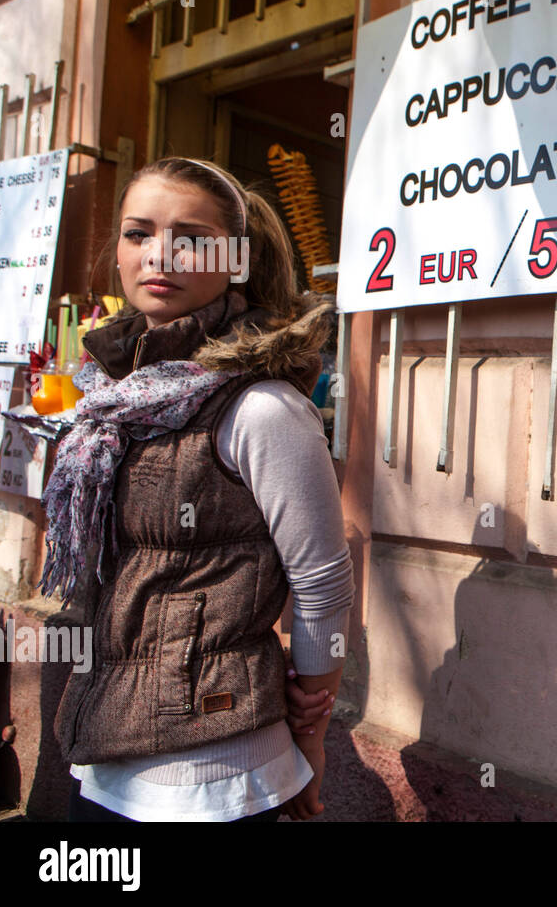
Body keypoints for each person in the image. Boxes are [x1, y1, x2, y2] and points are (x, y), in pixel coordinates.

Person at [41, 156, 354, 821]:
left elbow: (322, 582)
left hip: (214, 781)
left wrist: (312, 737)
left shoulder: (262, 409)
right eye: (137, 233)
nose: (161, 255)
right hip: (102, 757)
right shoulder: (109, 401)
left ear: (236, 259)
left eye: (191, 238)